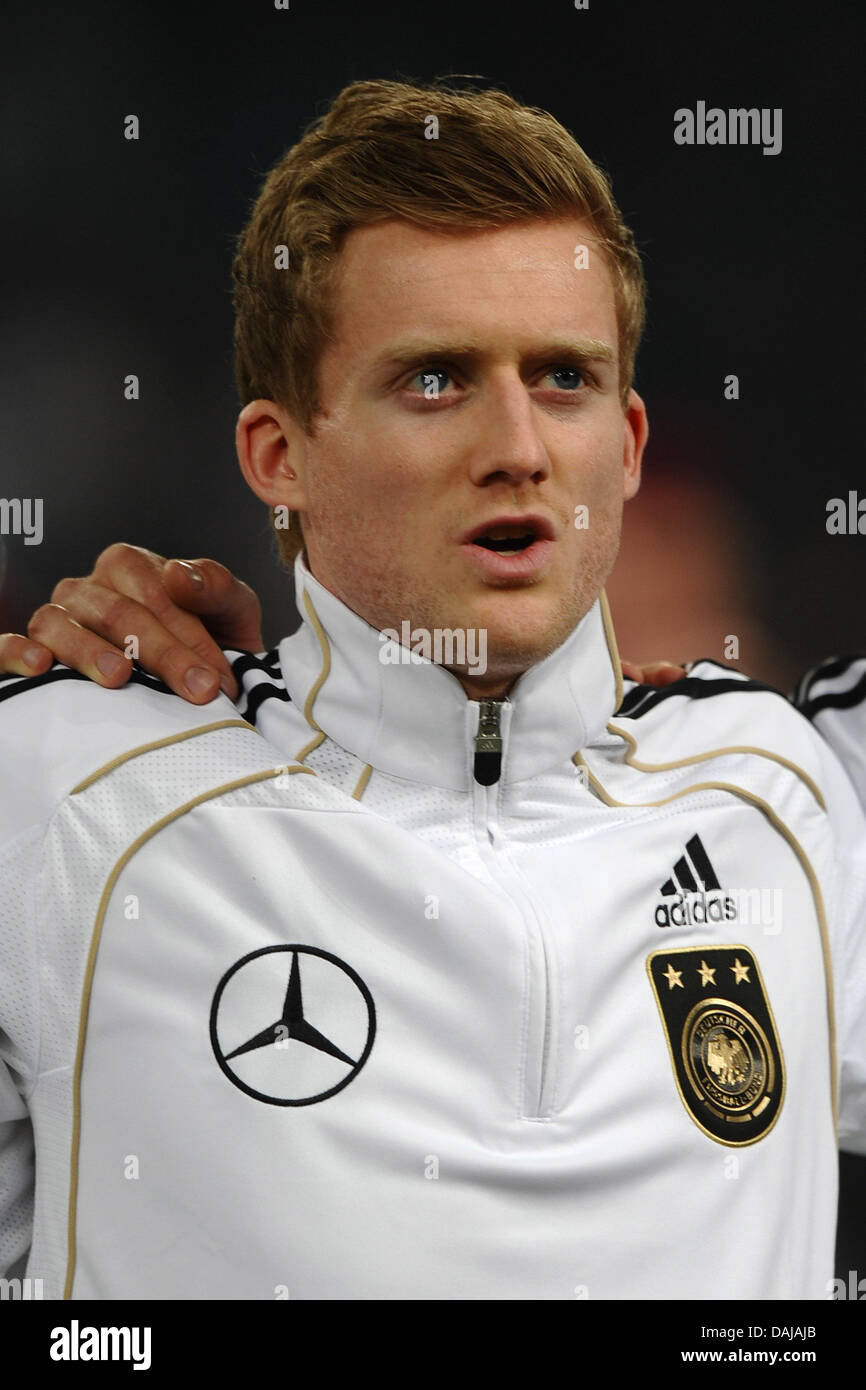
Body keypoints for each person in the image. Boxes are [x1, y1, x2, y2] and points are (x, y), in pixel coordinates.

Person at [1, 78, 864, 1301]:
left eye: (562, 378)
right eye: (434, 379)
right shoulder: (60, 799)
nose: (515, 443)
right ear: (278, 454)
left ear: (623, 448)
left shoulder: (794, 797)